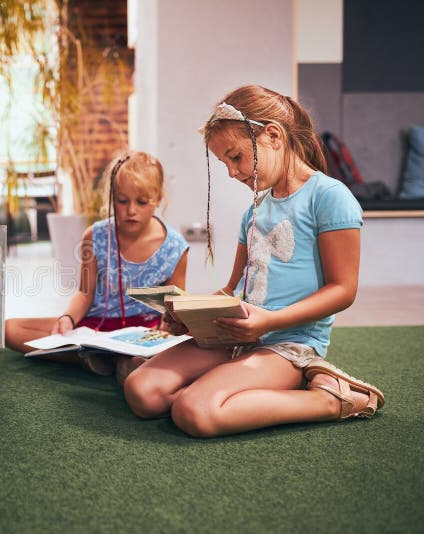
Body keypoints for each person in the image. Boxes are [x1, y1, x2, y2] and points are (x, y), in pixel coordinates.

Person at [123, 85, 385, 437]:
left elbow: (343, 290)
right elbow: (234, 289)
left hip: (287, 345)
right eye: (224, 163)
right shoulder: (254, 210)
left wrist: (269, 322)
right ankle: (231, 387)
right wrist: (189, 316)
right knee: (142, 391)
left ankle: (329, 398)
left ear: (273, 136)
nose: (232, 172)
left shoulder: (329, 197)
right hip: (235, 336)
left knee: (194, 411)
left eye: (236, 157)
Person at [5, 151, 189, 382]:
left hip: (144, 331)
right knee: (11, 330)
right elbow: (84, 293)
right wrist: (68, 319)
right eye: (122, 201)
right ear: (112, 198)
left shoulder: (175, 246)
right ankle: (99, 357)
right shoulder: (95, 236)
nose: (131, 210)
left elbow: (174, 305)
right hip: (95, 326)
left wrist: (164, 331)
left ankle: (102, 359)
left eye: (142, 202)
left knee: (137, 363)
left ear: (158, 198)